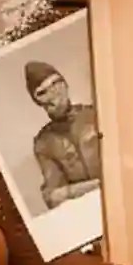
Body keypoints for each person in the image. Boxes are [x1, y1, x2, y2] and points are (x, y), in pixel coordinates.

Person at [26, 61, 101, 208]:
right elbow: (53, 195)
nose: (54, 93)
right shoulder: (43, 143)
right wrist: (97, 185)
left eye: (56, 83)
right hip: (87, 209)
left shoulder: (96, 114)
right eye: (42, 92)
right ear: (37, 100)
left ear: (65, 84)